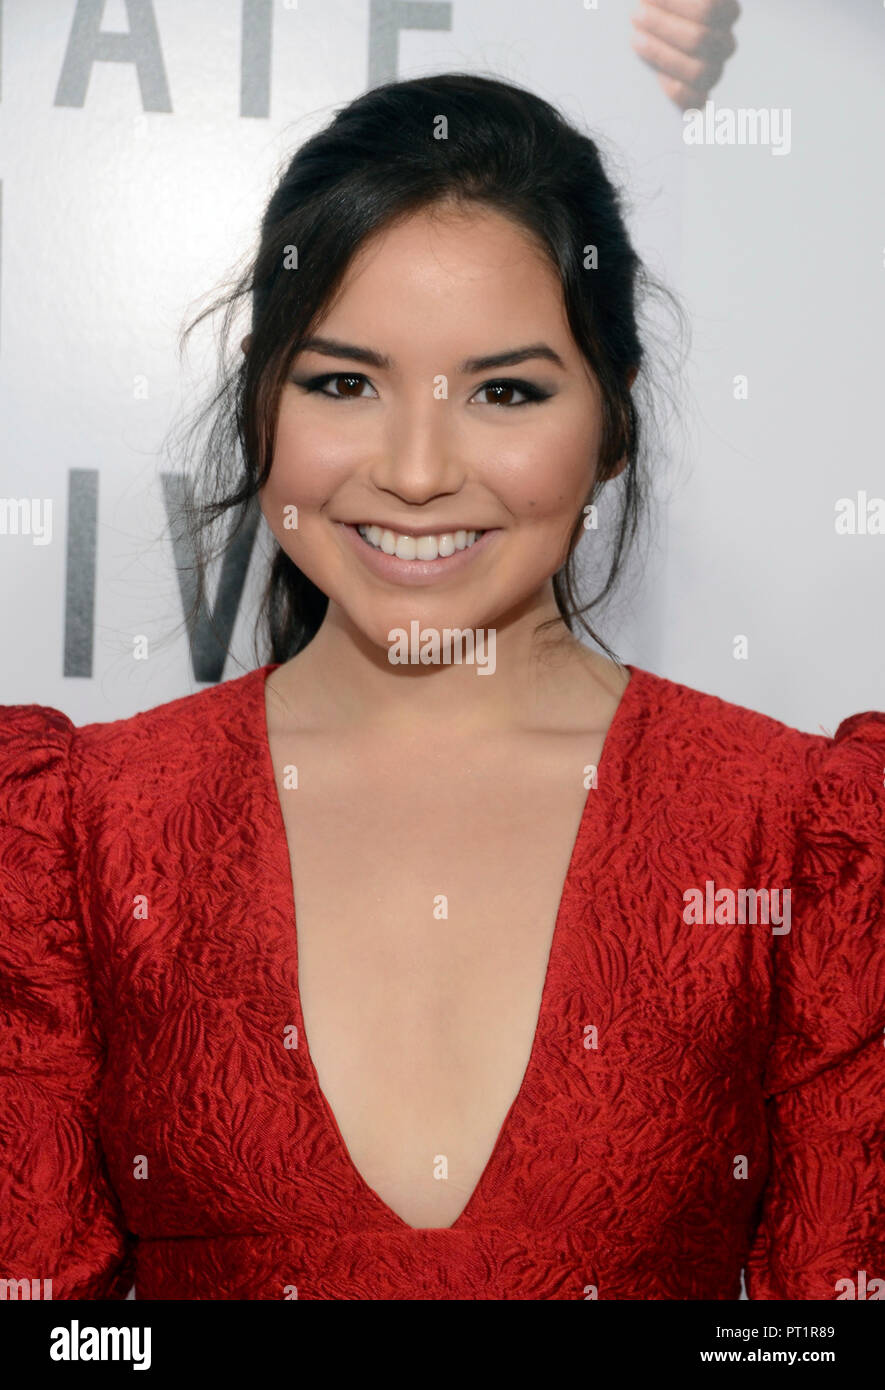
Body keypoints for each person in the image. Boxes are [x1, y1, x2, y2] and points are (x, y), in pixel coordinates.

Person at [1, 72, 882, 1301]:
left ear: (612, 424)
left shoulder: (804, 837)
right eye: (343, 382)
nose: (416, 471)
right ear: (262, 398)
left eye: (505, 392)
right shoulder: (67, 833)